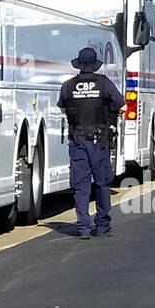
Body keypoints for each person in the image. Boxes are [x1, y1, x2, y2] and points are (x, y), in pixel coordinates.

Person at [58, 47, 125, 239]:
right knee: (102, 183)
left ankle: (83, 227)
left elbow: (63, 108)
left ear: (78, 64)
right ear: (95, 64)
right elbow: (121, 106)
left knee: (81, 185)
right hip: (99, 140)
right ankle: (102, 225)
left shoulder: (68, 85)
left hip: (77, 140)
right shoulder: (104, 83)